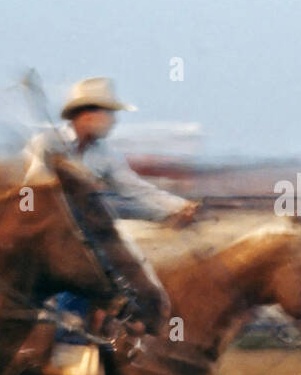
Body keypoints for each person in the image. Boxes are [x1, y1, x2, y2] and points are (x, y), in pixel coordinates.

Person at [23, 76, 198, 338]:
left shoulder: (106, 154)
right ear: (89, 114)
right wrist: (66, 182)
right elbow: (32, 192)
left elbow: (135, 189)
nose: (114, 120)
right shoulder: (46, 144)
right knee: (84, 271)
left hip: (82, 235)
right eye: (110, 113)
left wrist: (177, 207)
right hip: (44, 231)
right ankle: (65, 340)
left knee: (124, 267)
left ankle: (118, 333)